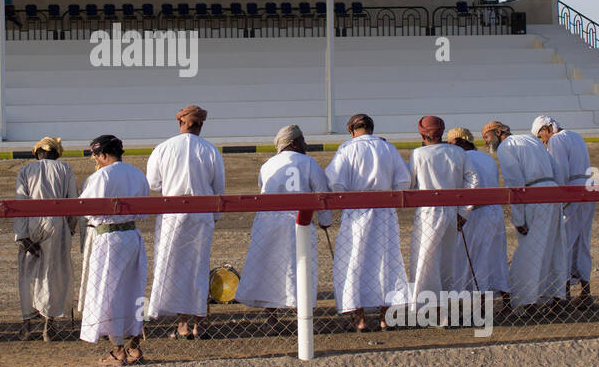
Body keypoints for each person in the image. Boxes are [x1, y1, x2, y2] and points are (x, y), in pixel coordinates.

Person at [235, 125, 332, 331]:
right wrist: (325, 221)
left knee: (269, 268)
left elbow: (262, 192)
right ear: (294, 142)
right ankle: (303, 318)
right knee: (301, 266)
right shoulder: (309, 163)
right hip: (299, 223)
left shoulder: (268, 165)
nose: (306, 144)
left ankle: (271, 319)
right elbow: (322, 192)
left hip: (269, 224)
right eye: (303, 140)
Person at [324, 113, 411, 330]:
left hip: (357, 212)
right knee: (387, 260)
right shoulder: (387, 148)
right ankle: (384, 316)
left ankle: (359, 317)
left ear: (352, 131)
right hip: (384, 212)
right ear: (371, 128)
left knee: (354, 261)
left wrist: (345, 199)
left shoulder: (348, 148)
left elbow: (334, 181)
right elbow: (404, 180)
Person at [146, 105, 226, 339]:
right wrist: (215, 217)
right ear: (201, 124)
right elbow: (218, 188)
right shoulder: (211, 151)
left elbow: (153, 184)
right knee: (198, 268)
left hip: (172, 216)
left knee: (173, 267)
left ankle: (181, 324)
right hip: (201, 217)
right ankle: (199, 323)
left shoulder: (163, 149)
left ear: (179, 122)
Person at [79, 134, 150, 365]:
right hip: (132, 235)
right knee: (134, 289)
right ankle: (135, 347)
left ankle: (118, 350)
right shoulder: (137, 173)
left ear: (103, 154)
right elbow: (144, 208)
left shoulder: (101, 176)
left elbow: (86, 208)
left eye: (96, 156)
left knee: (109, 292)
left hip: (108, 238)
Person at [481, 121, 566, 314]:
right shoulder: (530, 139)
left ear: (498, 132)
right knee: (554, 245)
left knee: (530, 249)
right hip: (553, 191)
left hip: (533, 195)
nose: (486, 142)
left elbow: (515, 182)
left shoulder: (506, 148)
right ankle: (555, 296)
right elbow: (555, 166)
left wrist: (519, 219)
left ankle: (525, 302)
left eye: (487, 137)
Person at [408, 116, 479, 318]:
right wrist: (464, 211)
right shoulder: (458, 152)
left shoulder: (418, 154)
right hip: (452, 212)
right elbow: (473, 179)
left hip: (428, 213)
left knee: (425, 261)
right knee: (448, 261)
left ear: (422, 134)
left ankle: (428, 310)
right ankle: (445, 308)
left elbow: (410, 184)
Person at [14, 136, 79, 341]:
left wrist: (22, 235)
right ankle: (48, 325)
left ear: (37, 153)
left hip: (31, 221)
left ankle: (27, 325)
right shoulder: (64, 169)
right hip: (56, 222)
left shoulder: (25, 170)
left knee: (28, 273)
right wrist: (69, 228)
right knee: (52, 272)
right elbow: (73, 200)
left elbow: (20, 201)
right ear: (55, 154)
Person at [533, 115, 595, 308]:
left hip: (571, 193)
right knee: (582, 242)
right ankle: (586, 292)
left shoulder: (556, 140)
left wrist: (557, 199)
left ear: (546, 129)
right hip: (588, 190)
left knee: (564, 244)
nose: (542, 140)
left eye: (540, 135)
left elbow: (561, 172)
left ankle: (564, 294)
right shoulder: (576, 136)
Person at [448, 128, 510, 302]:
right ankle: (506, 299)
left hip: (474, 212)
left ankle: (479, 301)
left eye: (452, 143)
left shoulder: (461, 158)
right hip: (495, 211)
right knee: (497, 256)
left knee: (474, 259)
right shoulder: (487, 158)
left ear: (461, 142)